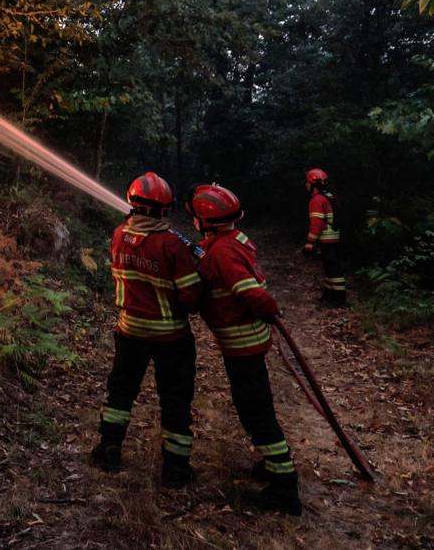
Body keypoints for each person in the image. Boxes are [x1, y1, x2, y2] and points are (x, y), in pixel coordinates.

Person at [186, 183, 302, 516]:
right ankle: (273, 465)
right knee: (257, 407)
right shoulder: (233, 241)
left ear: (206, 221)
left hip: (243, 344)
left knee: (255, 412)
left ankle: (284, 488)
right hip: (248, 342)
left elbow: (250, 293)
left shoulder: (221, 252)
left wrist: (269, 307)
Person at [92, 172, 202, 487]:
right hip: (171, 336)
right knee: (175, 399)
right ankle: (175, 469)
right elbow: (191, 296)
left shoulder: (118, 235)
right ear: (165, 209)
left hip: (130, 332)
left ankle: (109, 449)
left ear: (131, 203)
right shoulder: (171, 244)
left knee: (121, 391)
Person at [303, 168, 346, 306]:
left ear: (312, 184)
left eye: (307, 182)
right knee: (330, 267)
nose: (306, 185)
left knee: (333, 269)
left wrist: (310, 242)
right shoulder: (330, 196)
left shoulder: (316, 200)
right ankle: (329, 296)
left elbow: (317, 224)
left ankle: (338, 299)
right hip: (335, 237)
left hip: (327, 239)